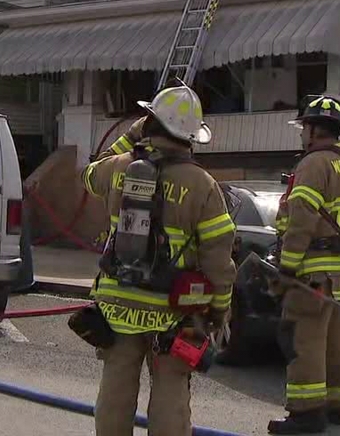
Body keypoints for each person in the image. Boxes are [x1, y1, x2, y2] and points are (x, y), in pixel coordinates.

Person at [79, 83, 237, 436]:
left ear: (150, 122)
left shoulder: (119, 167)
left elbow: (89, 175)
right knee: (170, 391)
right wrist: (218, 310)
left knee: (116, 389)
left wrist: (130, 136)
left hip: (118, 304)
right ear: (191, 137)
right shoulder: (203, 184)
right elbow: (219, 258)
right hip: (175, 310)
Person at [269, 95, 340, 434]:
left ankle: (305, 414)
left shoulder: (313, 163)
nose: (301, 133)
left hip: (314, 273)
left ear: (313, 129)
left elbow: (302, 218)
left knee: (304, 340)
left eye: (303, 127)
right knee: (339, 343)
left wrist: (287, 267)